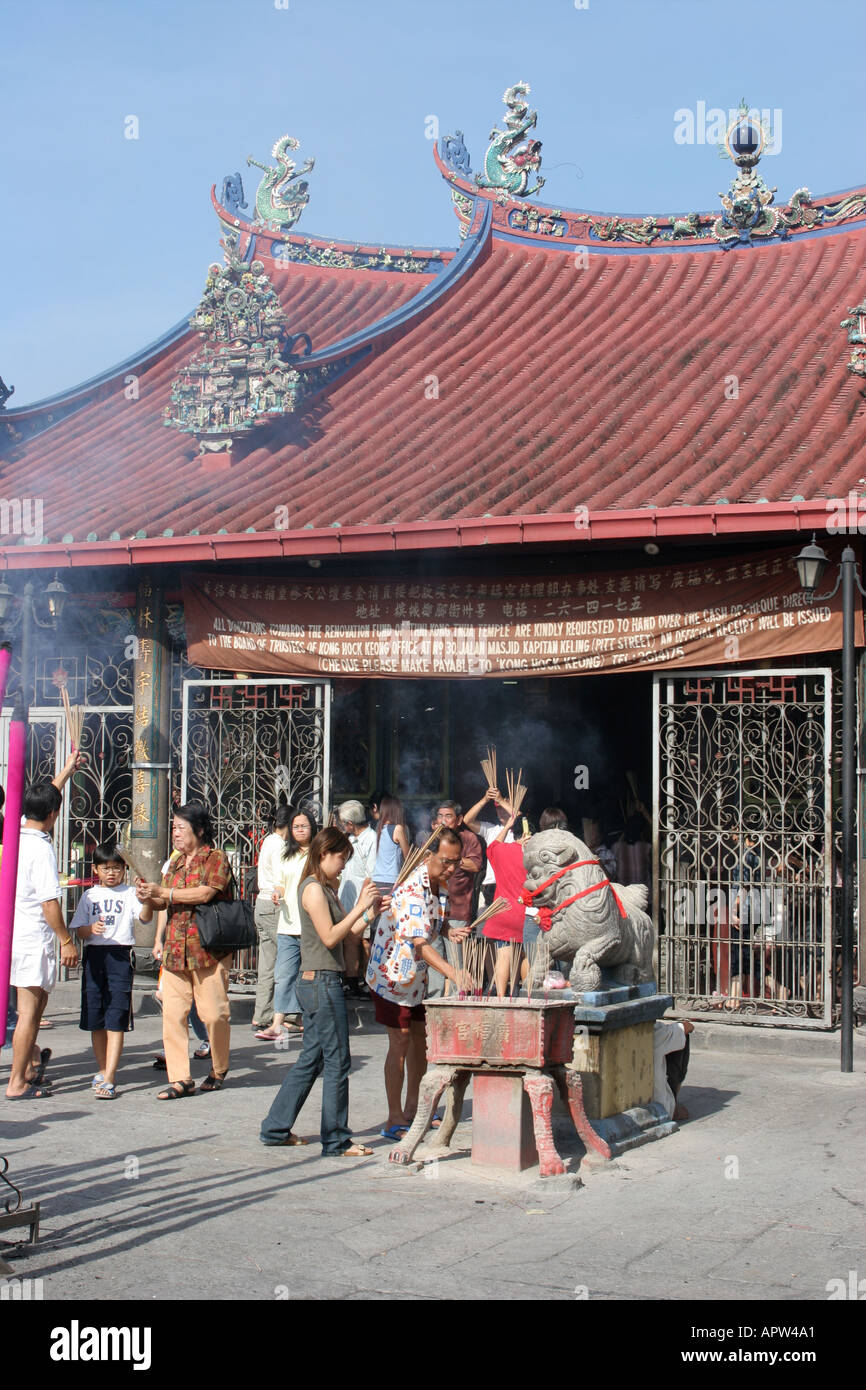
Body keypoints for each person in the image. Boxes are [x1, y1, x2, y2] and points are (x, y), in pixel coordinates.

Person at [260, 827, 381, 1155]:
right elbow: (329, 937)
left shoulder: (327, 888)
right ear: (324, 853)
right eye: (341, 858)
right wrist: (359, 908)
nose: (343, 865)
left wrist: (370, 911)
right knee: (338, 1060)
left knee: (310, 1060)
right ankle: (337, 1140)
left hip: (323, 981)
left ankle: (275, 1128)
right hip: (320, 983)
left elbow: (348, 933)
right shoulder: (312, 888)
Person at [365, 827, 464, 1138]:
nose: (451, 868)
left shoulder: (439, 886)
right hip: (391, 975)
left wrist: (449, 932)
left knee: (421, 1042)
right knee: (400, 1041)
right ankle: (394, 1117)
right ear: (427, 855)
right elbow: (420, 942)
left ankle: (415, 1109)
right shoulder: (411, 890)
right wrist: (453, 972)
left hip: (415, 978)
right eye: (446, 861)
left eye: (456, 862)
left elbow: (435, 924)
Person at [136, 801, 233, 1099]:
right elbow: (163, 905)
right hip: (176, 950)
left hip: (208, 949)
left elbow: (205, 893)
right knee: (173, 1016)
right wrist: (149, 896)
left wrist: (165, 892)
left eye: (181, 827)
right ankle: (180, 1078)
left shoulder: (215, 858)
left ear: (199, 830)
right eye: (174, 827)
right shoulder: (175, 863)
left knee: (214, 1014)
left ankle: (218, 1068)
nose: (175, 833)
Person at [5, 779, 78, 1098]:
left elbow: (45, 795)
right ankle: (16, 1081)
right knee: (29, 1013)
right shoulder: (40, 848)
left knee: (34, 1009)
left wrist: (66, 770)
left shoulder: (15, 833)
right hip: (33, 937)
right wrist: (65, 939)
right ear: (53, 814)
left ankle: (29, 1068)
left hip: (16, 934)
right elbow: (50, 903)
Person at [68, 841, 153, 1099]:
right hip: (94, 957)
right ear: (96, 869)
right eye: (106, 868)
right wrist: (89, 930)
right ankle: (103, 1068)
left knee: (116, 1015)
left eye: (116, 868)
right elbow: (78, 928)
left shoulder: (129, 893)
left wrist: (147, 899)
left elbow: (146, 917)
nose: (111, 873)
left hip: (119, 955)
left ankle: (110, 1076)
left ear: (124, 870)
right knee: (95, 1016)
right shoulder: (89, 895)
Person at [264, 807, 317, 1041]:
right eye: (296, 826)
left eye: (304, 825)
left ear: (312, 827)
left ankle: (310, 1020)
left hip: (312, 924)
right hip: (287, 923)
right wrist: (277, 892)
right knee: (284, 973)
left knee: (310, 975)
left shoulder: (319, 853)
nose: (300, 830)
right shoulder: (284, 854)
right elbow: (280, 883)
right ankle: (278, 1022)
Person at [429, 800, 483, 996]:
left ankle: (454, 1001)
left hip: (458, 909)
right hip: (434, 907)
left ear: (459, 819)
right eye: (440, 816)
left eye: (448, 816)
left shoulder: (469, 838)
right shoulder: (433, 839)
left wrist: (452, 857)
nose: (443, 820)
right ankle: (434, 1001)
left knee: (455, 961)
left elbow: (476, 865)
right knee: (434, 958)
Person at [251, 806, 292, 1034]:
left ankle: (261, 1014)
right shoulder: (279, 845)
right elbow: (281, 878)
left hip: (262, 903)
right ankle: (286, 1014)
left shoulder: (268, 841)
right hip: (274, 904)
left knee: (267, 963)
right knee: (286, 961)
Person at [484, 807, 530, 997]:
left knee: (504, 955)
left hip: (502, 912)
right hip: (526, 914)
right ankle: (529, 997)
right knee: (527, 956)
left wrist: (507, 827)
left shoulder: (502, 851)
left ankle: (501, 998)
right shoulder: (534, 856)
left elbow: (491, 846)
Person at [337, 799, 377, 996]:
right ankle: (350, 980)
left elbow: (371, 875)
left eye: (344, 822)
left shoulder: (371, 838)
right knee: (349, 940)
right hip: (346, 897)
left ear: (350, 823)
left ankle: (368, 981)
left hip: (362, 900)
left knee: (363, 941)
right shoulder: (349, 839)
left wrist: (362, 904)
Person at [464, 786, 515, 908]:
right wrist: (485, 799)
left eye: (504, 808)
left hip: (512, 887)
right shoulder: (492, 829)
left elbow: (518, 817)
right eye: (498, 809)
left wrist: (501, 800)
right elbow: (467, 820)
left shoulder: (522, 832)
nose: (501, 811)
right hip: (491, 887)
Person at [652, 1018, 694, 1120]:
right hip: (662, 1105)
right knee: (682, 1036)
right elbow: (688, 1027)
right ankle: (673, 1106)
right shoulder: (656, 1032)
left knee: (675, 1037)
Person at [371, 795, 410, 892]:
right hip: (390, 881)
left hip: (377, 879)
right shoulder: (398, 829)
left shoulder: (379, 828)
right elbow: (408, 856)